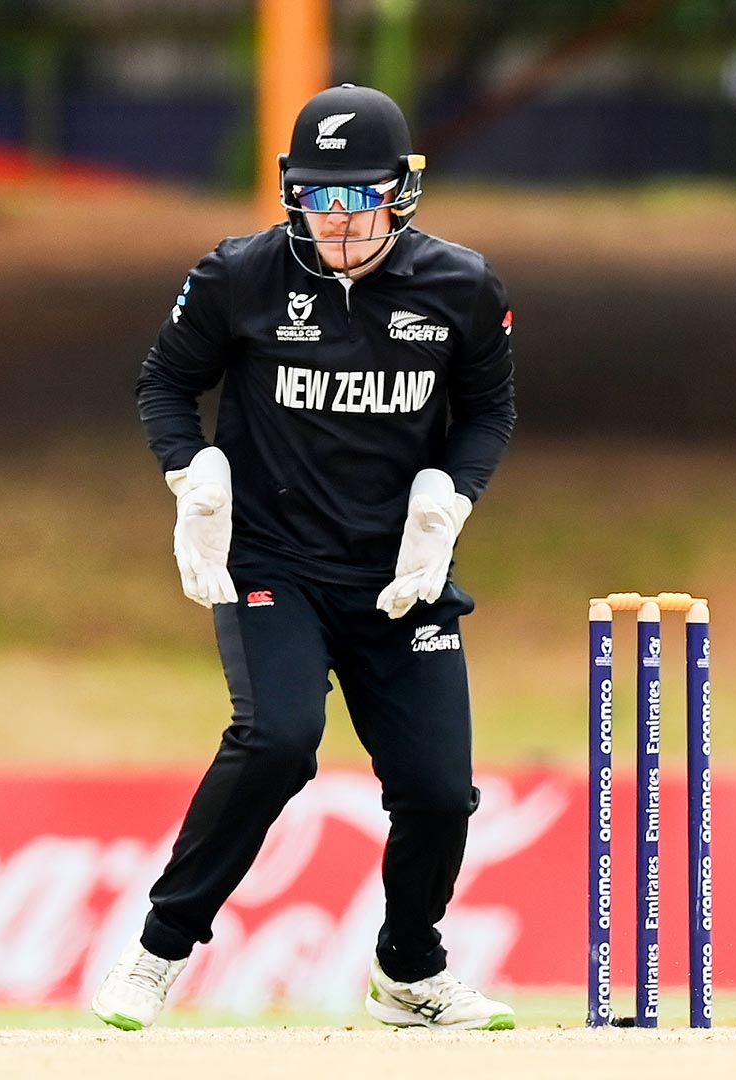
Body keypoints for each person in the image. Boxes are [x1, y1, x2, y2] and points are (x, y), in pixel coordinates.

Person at [90, 83, 517, 1031]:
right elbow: (165, 381)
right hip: (274, 561)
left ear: (402, 191)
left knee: (440, 794)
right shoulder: (239, 276)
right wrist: (188, 472)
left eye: (360, 196)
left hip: (400, 572)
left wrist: (450, 496)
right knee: (279, 742)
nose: (340, 218)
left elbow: (489, 409)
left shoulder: (463, 287)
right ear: (293, 194)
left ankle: (409, 971)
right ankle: (160, 950)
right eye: (321, 197)